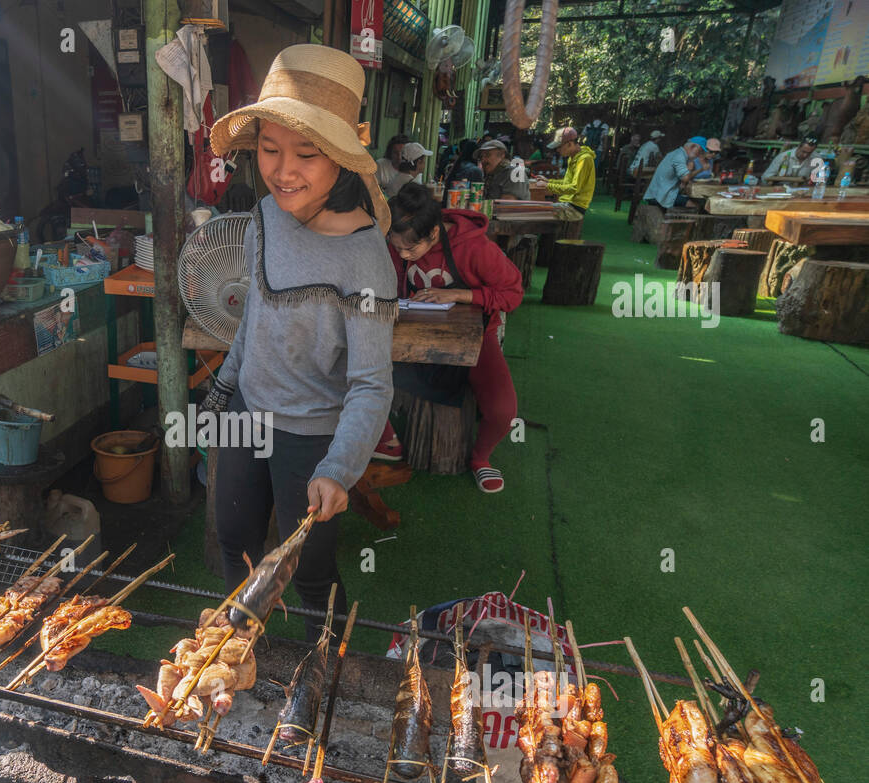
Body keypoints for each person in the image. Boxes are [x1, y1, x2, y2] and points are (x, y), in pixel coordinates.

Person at [205, 44, 397, 636]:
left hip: (310, 438)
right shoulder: (264, 215)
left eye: (306, 154)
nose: (283, 171)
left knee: (309, 574)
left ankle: (325, 675)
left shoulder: (367, 262)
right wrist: (221, 392)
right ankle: (229, 665)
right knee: (232, 546)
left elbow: (370, 384)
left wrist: (339, 469)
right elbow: (255, 318)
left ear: (343, 158)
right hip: (244, 416)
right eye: (268, 149)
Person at [386, 183, 523, 493]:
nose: (403, 255)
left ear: (434, 233)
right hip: (410, 331)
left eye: (410, 249)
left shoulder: (476, 248)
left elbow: (513, 294)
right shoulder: (396, 242)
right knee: (360, 371)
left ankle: (480, 458)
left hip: (475, 336)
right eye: (398, 249)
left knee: (503, 411)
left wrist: (459, 294)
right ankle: (386, 441)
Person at [535, 126, 595, 215]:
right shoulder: (573, 157)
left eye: (559, 147)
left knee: (537, 213)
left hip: (575, 207)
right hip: (567, 203)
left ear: (570, 144)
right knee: (536, 208)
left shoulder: (584, 159)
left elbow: (574, 188)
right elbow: (568, 182)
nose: (557, 150)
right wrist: (548, 181)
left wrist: (548, 185)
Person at [642, 136, 708, 209]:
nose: (699, 154)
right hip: (661, 196)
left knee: (693, 201)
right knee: (696, 206)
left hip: (659, 193)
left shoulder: (678, 153)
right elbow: (685, 178)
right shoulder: (679, 156)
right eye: (699, 151)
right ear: (692, 147)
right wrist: (701, 169)